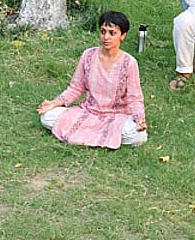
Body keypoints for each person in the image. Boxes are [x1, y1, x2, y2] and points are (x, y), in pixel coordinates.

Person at [37, 10, 148, 149]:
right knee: (47, 117)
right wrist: (54, 103)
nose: (106, 37)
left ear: (122, 36)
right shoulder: (88, 55)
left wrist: (139, 119)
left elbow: (134, 97)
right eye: (103, 31)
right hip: (88, 112)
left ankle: (89, 133)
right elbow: (75, 88)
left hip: (115, 116)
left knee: (138, 136)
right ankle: (101, 135)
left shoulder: (129, 63)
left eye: (112, 33)